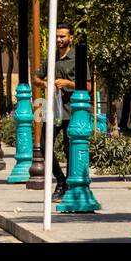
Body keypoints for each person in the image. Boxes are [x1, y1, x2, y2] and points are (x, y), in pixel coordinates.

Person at [35, 22, 76, 200]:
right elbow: (36, 77)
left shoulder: (76, 59)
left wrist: (67, 84)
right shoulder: (51, 58)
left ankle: (69, 185)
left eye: (62, 36)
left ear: (70, 38)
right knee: (44, 146)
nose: (59, 39)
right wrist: (46, 84)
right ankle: (60, 181)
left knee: (69, 150)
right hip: (53, 109)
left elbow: (88, 86)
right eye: (57, 36)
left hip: (72, 111)